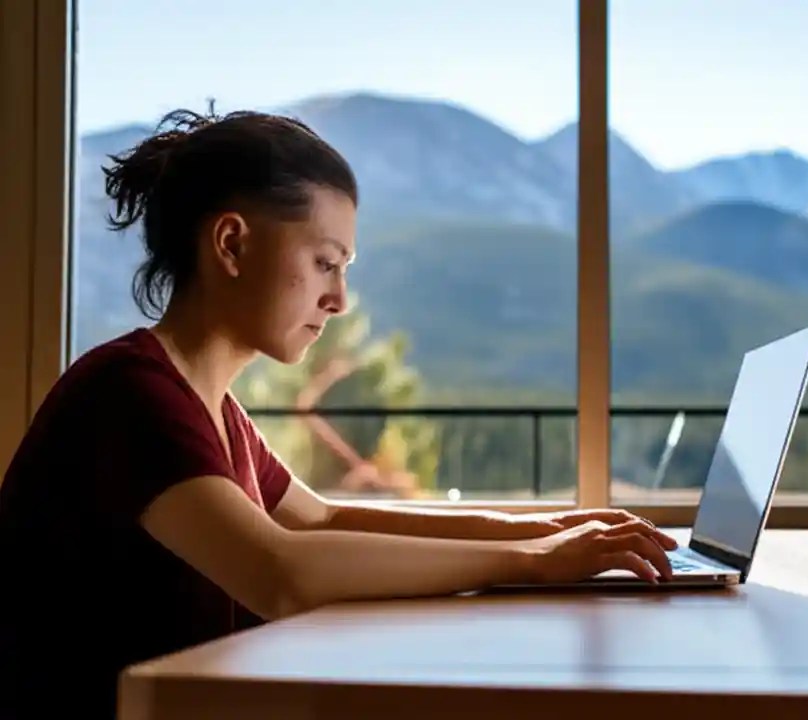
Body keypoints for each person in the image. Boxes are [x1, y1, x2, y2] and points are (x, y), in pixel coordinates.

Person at [0, 107, 676, 718]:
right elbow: (280, 573)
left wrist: (548, 529)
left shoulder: (212, 411)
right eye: (326, 263)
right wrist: (529, 561)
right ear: (231, 244)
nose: (340, 300)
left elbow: (324, 516)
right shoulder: (130, 395)